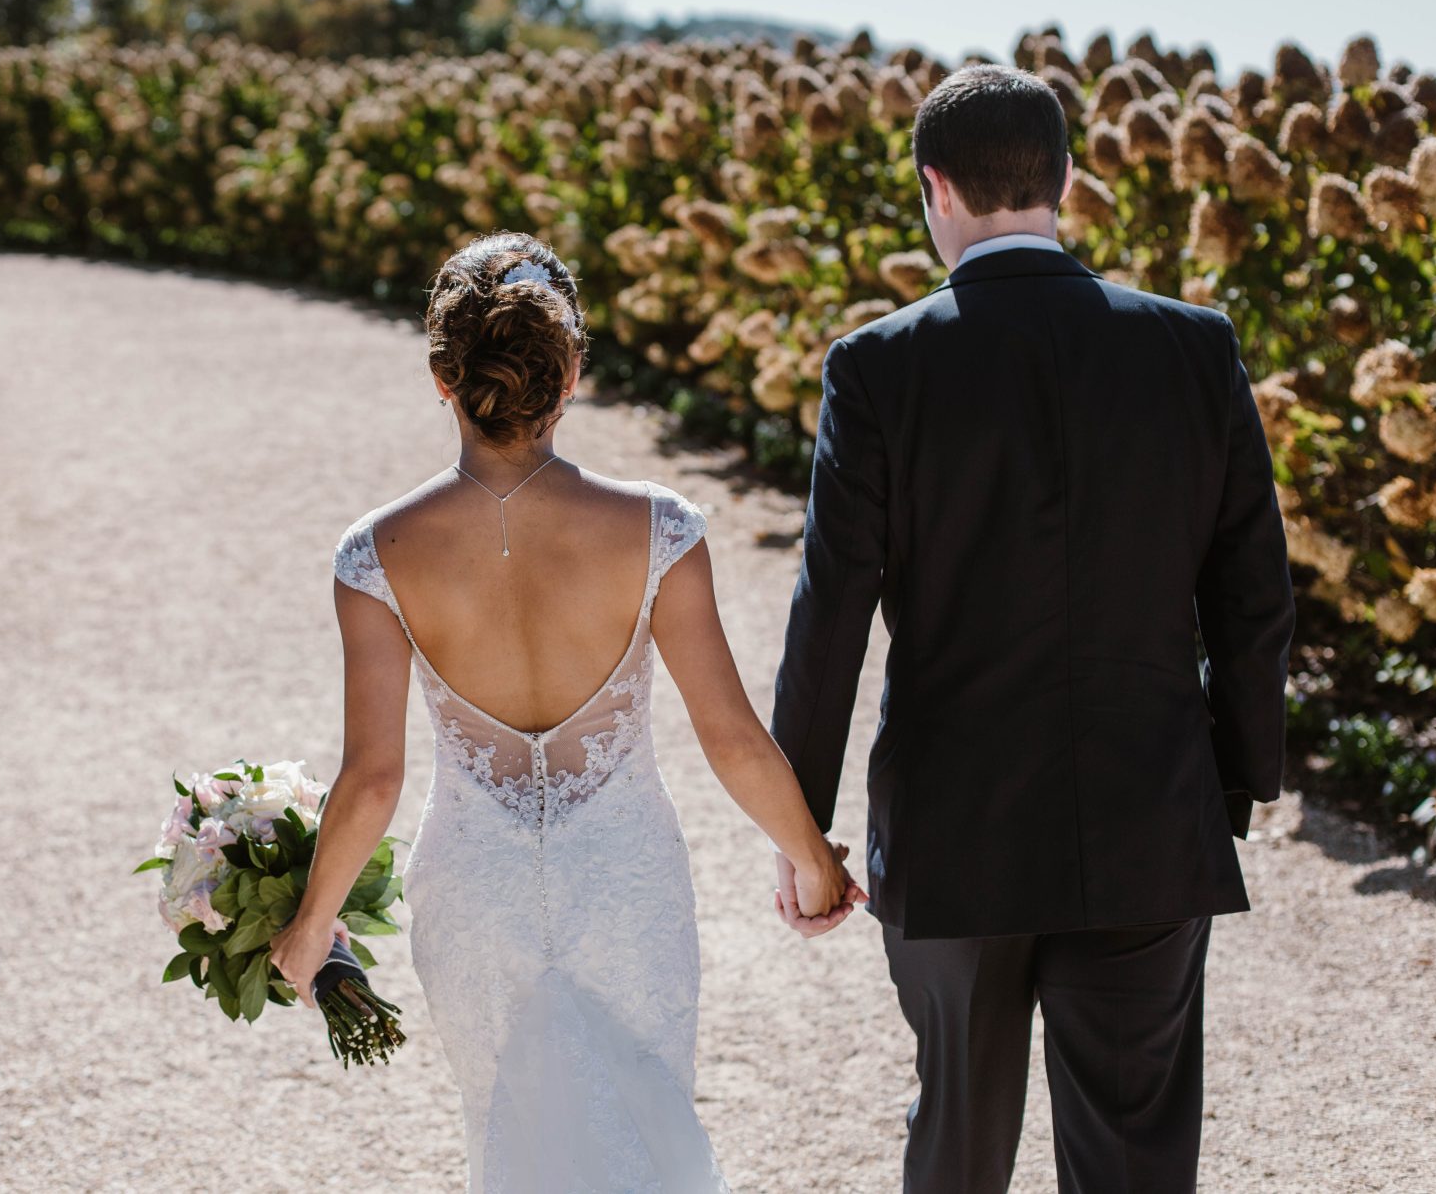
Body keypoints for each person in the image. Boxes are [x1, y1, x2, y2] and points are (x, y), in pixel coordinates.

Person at [771, 65, 1295, 1193]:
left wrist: (799, 827)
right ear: (1063, 180)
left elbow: (831, 612)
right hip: (1150, 812)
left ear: (933, 188)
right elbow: (1252, 586)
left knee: (955, 1141)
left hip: (952, 827)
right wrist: (1239, 778)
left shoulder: (874, 366)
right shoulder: (1192, 347)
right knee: (1132, 1151)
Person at [269, 231, 862, 1193]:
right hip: (626, 886)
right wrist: (815, 861)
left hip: (475, 896)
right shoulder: (660, 528)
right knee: (645, 1129)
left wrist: (311, 921)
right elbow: (733, 738)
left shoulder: (375, 553)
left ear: (442, 377)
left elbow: (374, 777)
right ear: (573, 368)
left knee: (511, 1136)